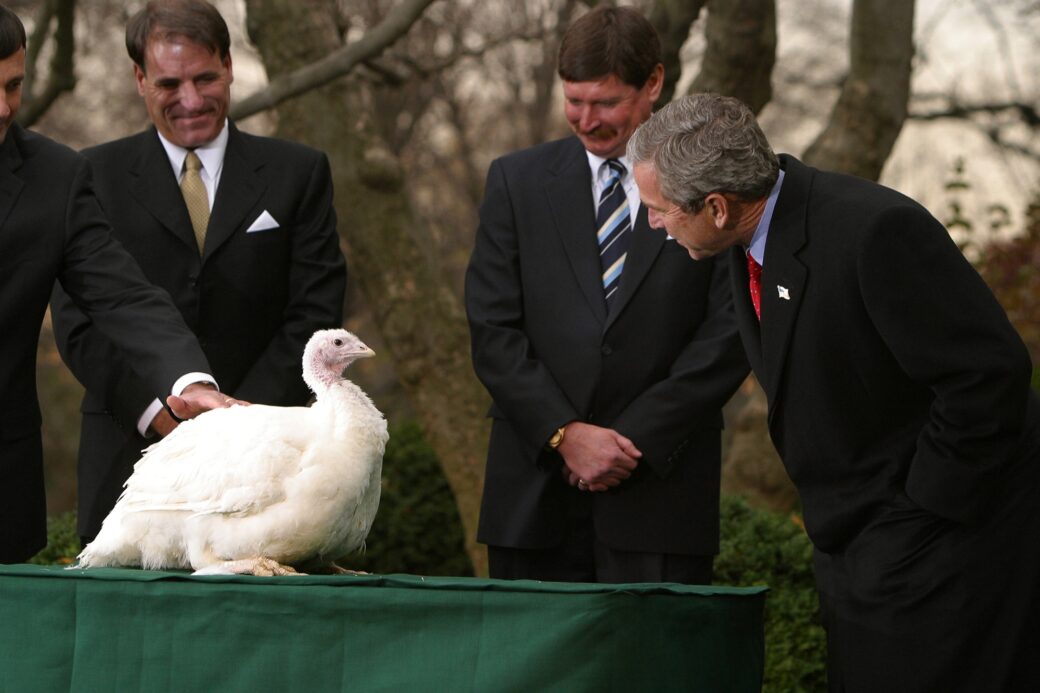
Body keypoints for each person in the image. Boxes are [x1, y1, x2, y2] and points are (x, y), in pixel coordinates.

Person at [627, 92, 1040, 690]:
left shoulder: (875, 231)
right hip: (860, 548)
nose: (653, 223)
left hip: (950, 546)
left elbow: (987, 375)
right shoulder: (746, 243)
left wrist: (921, 510)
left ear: (717, 206)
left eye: (659, 209)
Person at [464, 7, 748, 585]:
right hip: (532, 493)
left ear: (654, 84)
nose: (587, 120)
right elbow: (492, 329)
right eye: (575, 101)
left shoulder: (716, 178)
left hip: (660, 490)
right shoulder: (514, 181)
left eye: (606, 103)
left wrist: (628, 444)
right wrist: (564, 434)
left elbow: (729, 330)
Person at [49, 0, 347, 545]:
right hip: (130, 449)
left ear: (230, 65)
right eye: (169, 83)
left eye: (205, 77)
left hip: (270, 460)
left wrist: (240, 422)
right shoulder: (89, 176)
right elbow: (80, 322)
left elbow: (315, 310)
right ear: (140, 79)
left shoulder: (298, 173)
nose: (191, 100)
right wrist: (158, 410)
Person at [0, 4, 241, 564]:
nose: (4, 107)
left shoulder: (54, 177)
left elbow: (121, 293)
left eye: (14, 85)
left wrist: (190, 381)